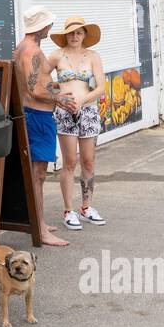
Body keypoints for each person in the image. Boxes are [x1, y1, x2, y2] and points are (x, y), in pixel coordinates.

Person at [12, 8, 76, 247]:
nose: (50, 29)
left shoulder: (22, 48)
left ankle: (37, 223)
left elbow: (40, 82)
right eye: (49, 25)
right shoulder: (33, 51)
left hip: (33, 114)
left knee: (35, 174)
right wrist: (60, 98)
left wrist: (58, 89)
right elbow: (35, 90)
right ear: (41, 27)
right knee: (38, 176)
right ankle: (39, 229)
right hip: (37, 116)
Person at [47, 16, 107, 230]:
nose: (74, 36)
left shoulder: (93, 56)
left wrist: (82, 100)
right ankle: (68, 209)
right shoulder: (56, 56)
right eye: (71, 33)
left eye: (79, 33)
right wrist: (57, 95)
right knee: (70, 161)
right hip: (65, 114)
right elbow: (39, 80)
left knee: (88, 161)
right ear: (65, 35)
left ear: (84, 35)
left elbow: (101, 87)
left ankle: (86, 207)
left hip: (89, 111)